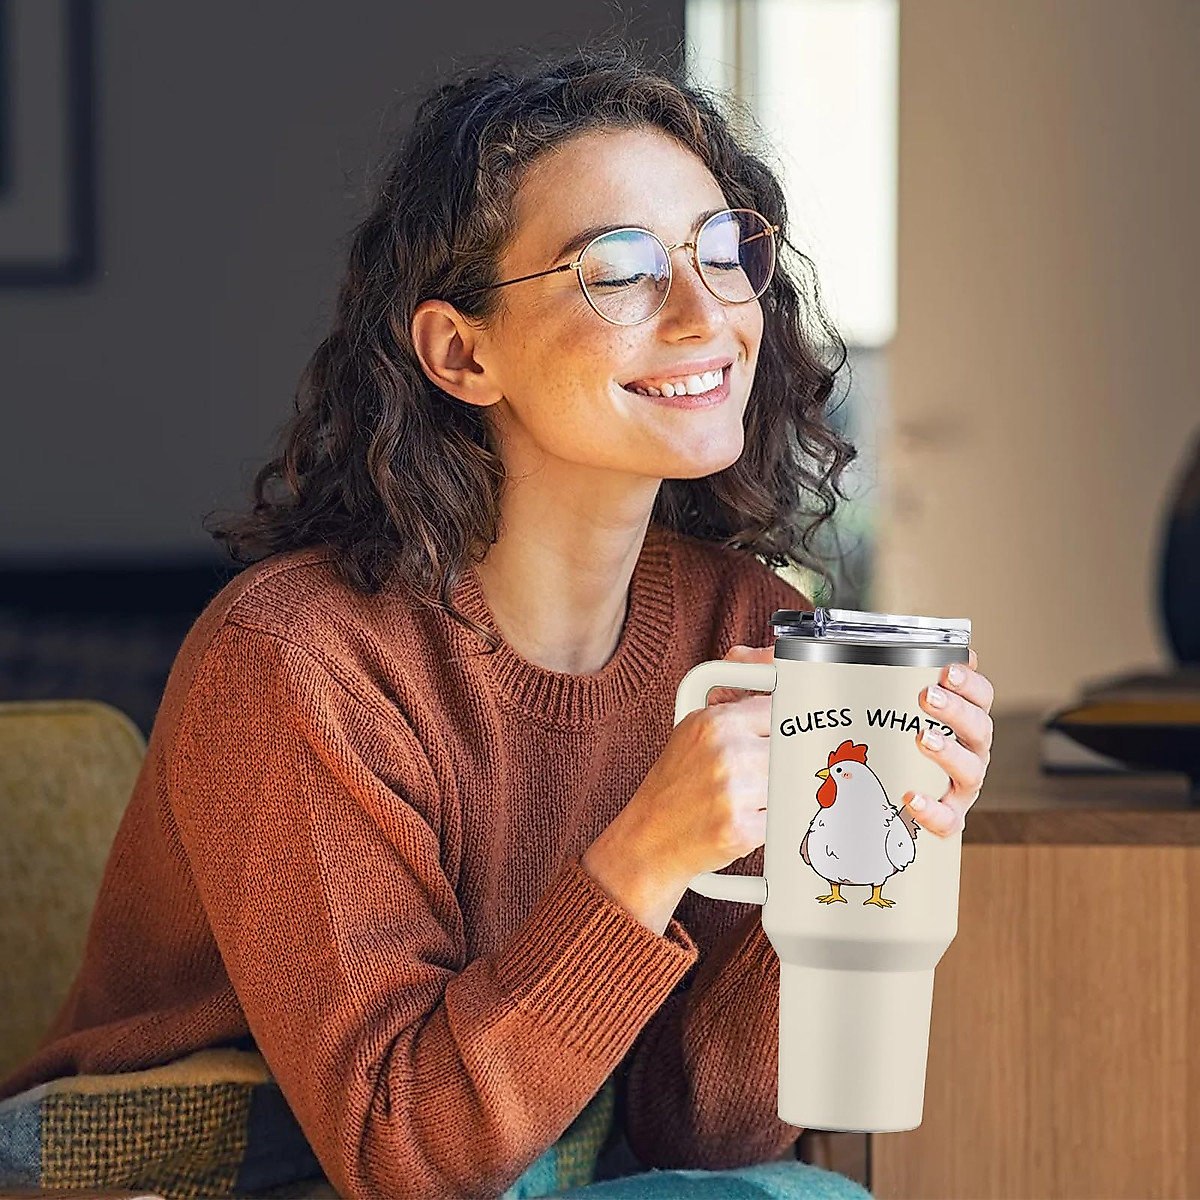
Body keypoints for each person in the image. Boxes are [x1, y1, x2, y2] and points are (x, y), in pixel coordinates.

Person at [0, 42, 994, 1200]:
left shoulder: (746, 628)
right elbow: (398, 1157)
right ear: (462, 352)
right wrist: (644, 853)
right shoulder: (296, 662)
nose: (704, 312)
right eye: (619, 270)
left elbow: (709, 1133)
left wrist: (853, 862)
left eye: (722, 252)